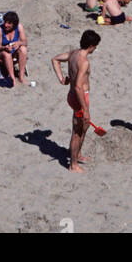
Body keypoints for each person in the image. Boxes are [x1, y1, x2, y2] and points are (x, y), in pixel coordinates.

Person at [51, 30, 100, 174]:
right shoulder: (83, 62)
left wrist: (62, 78)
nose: (96, 48)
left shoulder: (73, 53)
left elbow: (55, 59)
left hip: (72, 95)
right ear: (91, 46)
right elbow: (78, 86)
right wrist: (85, 109)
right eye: (96, 46)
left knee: (84, 127)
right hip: (79, 97)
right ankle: (72, 165)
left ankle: (77, 154)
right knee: (77, 132)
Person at [0, 11, 29, 86]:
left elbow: (25, 42)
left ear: (14, 24)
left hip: (13, 52)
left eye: (9, 23)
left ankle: (21, 77)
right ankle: (12, 78)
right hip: (1, 53)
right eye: (5, 22)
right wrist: (5, 47)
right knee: (6, 54)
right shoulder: (0, 29)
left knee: (23, 49)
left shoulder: (19, 27)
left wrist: (19, 43)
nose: (6, 25)